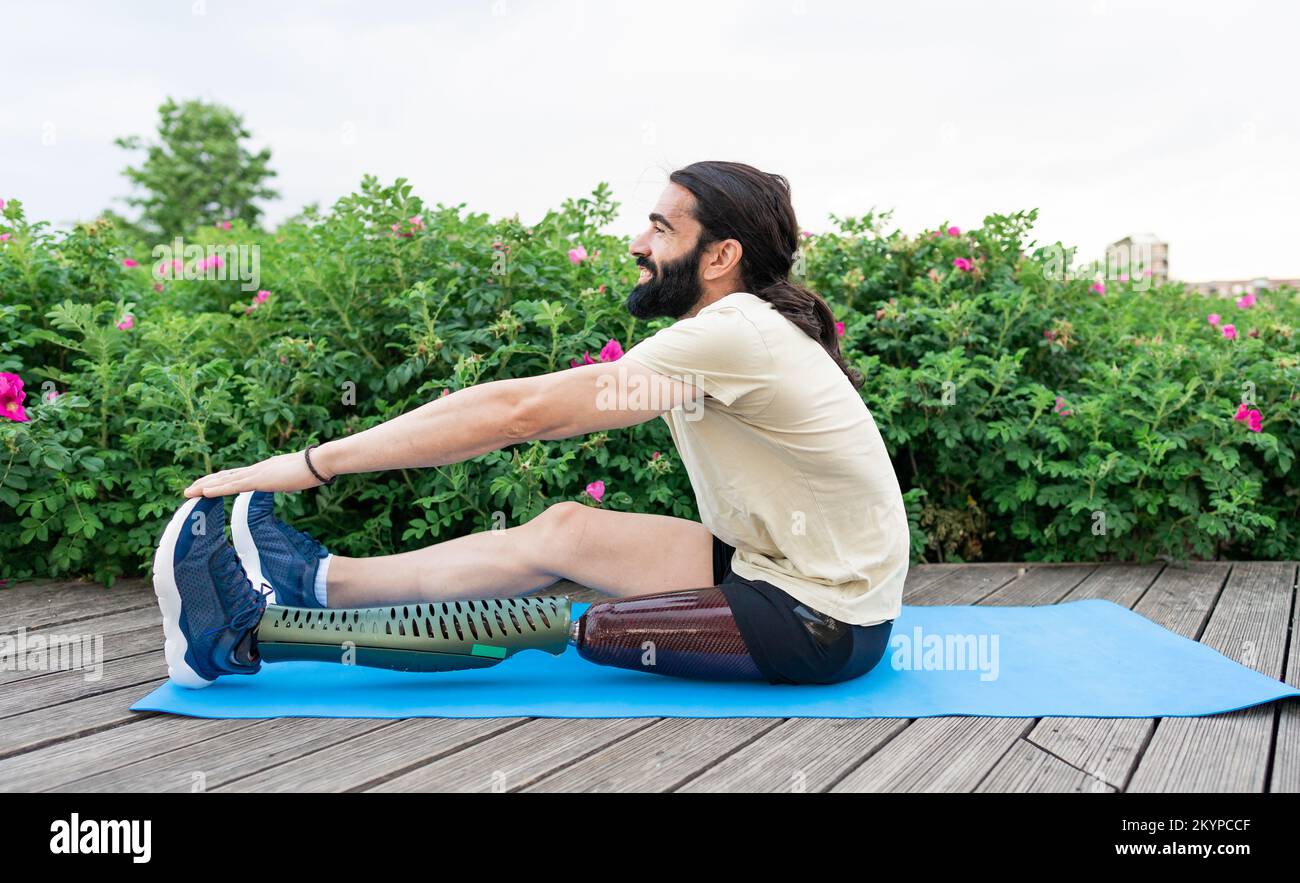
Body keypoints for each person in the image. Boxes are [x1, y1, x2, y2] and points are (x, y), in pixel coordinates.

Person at [153, 160, 910, 690]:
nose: (638, 245)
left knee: (570, 623)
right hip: (774, 563)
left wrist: (310, 463)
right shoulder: (740, 326)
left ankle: (241, 638)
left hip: (823, 617)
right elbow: (514, 405)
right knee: (564, 532)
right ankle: (315, 581)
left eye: (659, 229)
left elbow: (517, 414)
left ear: (722, 255)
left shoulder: (736, 331)